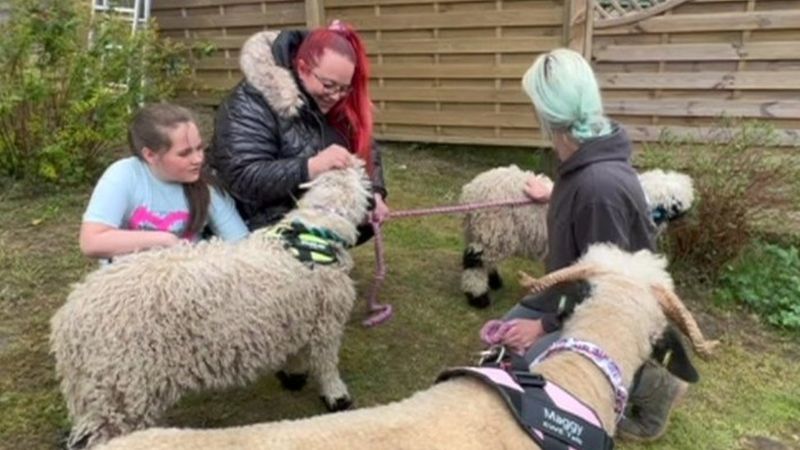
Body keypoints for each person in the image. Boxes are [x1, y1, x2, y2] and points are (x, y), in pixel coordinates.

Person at [479, 48, 684, 442]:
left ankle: (654, 385)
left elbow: (606, 291)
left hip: (605, 310)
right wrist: (555, 194)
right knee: (501, 349)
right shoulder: (587, 155)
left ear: (545, 113)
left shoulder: (597, 188)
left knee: (528, 383)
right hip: (565, 292)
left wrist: (541, 327)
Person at [210, 20, 388, 241]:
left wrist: (374, 193)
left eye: (344, 89)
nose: (335, 95)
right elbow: (242, 178)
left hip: (310, 221)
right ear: (302, 68)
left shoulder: (334, 99)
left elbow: (366, 146)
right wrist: (310, 167)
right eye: (328, 85)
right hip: (253, 227)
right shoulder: (248, 103)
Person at [80, 103, 249, 260]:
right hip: (130, 276)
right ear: (150, 155)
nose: (198, 159)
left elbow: (243, 246)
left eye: (199, 148)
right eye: (184, 153)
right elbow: (92, 242)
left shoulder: (205, 186)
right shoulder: (125, 175)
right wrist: (165, 241)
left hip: (189, 274)